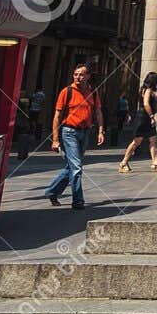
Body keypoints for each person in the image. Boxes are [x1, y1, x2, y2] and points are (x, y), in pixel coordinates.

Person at [42, 65, 104, 209]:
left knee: (71, 167)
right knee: (77, 167)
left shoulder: (93, 92)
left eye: (81, 75)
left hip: (85, 132)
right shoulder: (67, 91)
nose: (77, 77)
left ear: (88, 76)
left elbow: (98, 112)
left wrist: (101, 131)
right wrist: (55, 139)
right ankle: (78, 200)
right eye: (75, 74)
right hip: (69, 132)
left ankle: (52, 191)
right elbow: (57, 116)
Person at [117, 73, 157, 173]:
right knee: (136, 142)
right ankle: (123, 163)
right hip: (144, 118)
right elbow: (146, 104)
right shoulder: (148, 90)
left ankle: (155, 162)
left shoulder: (144, 89)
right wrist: (151, 116)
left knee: (153, 139)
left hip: (143, 117)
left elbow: (152, 100)